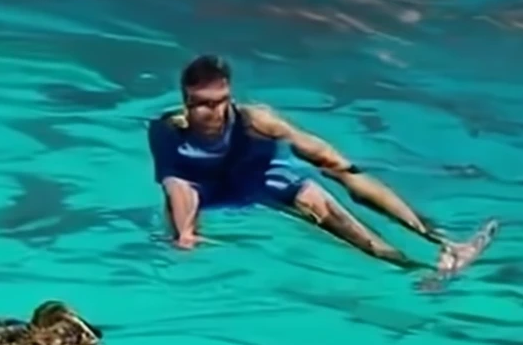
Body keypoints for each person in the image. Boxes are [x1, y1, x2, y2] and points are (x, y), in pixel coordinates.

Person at [147, 54, 498, 273]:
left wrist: (339, 167)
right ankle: (413, 268)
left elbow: (308, 145)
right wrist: (186, 234)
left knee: (346, 208)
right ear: (186, 102)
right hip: (211, 186)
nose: (215, 112)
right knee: (181, 231)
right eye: (203, 104)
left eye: (222, 101)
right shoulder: (166, 132)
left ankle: (441, 246)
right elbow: (179, 186)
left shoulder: (255, 119)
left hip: (267, 177)